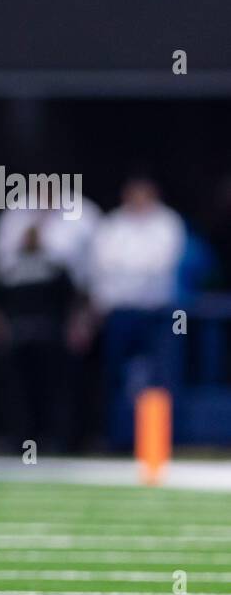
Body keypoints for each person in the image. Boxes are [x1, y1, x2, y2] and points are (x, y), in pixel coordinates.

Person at [0, 191, 100, 452]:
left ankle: (63, 442)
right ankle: (21, 442)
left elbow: (76, 298)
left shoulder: (55, 267)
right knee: (19, 394)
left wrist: (78, 325)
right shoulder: (9, 269)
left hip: (52, 336)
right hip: (18, 336)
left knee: (58, 391)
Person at [82, 176, 186, 450]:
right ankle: (116, 439)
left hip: (159, 314)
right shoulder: (112, 226)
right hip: (119, 313)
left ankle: (158, 443)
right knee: (115, 377)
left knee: (160, 378)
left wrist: (124, 271)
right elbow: (101, 268)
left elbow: (158, 265)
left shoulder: (168, 223)